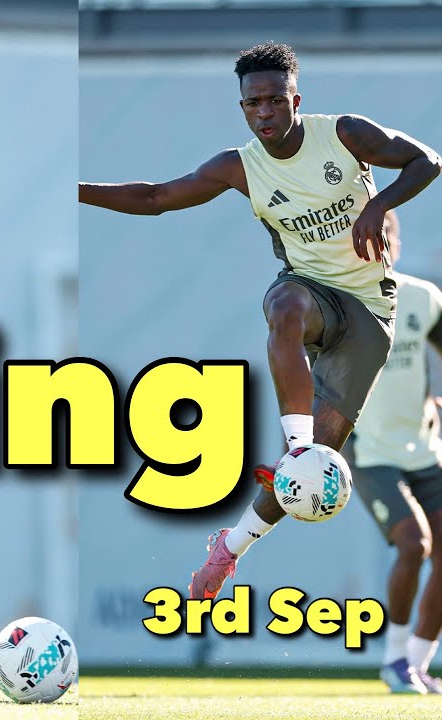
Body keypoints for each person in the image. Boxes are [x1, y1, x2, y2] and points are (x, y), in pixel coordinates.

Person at [78, 42, 442, 600]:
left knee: (308, 477)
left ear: (296, 99)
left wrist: (377, 203)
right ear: (242, 107)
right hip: (312, 292)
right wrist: (74, 191)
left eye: (276, 100)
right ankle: (297, 445)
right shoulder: (239, 167)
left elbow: (427, 161)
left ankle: (230, 549)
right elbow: (155, 197)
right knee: (285, 307)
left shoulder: (343, 134)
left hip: (370, 310)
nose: (266, 112)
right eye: (254, 104)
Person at [348, 211, 442, 694]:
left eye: (387, 236)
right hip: (370, 452)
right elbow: (314, 376)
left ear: (397, 245)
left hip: (425, 449)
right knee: (413, 545)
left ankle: (419, 664)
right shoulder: (341, 304)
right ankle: (393, 662)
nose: (379, 245)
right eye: (369, 236)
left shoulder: (424, 298)